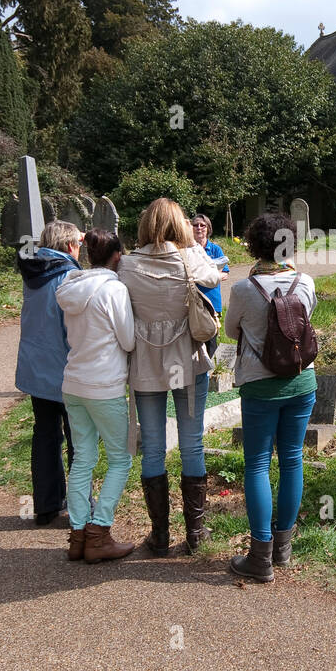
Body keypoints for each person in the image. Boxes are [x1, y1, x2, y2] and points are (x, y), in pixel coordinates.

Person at [118, 198, 222, 555]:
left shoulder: (128, 264)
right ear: (180, 225)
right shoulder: (189, 257)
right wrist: (190, 245)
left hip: (146, 363)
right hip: (187, 361)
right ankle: (195, 533)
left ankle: (159, 535)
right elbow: (214, 274)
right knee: (192, 444)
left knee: (153, 448)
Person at [224, 212, 317, 582]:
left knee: (258, 465)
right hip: (300, 382)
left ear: (252, 245)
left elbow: (232, 331)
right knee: (292, 461)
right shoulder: (305, 282)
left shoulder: (244, 289)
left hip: (259, 385)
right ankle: (284, 549)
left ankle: (259, 557)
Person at [55, 229, 136, 562]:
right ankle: (99, 532)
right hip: (105, 385)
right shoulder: (114, 289)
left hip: (73, 383)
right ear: (117, 256)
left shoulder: (69, 288)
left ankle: (77, 535)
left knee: (82, 460)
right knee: (120, 459)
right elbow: (128, 340)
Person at [15, 220, 82, 526]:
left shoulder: (32, 274)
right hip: (66, 369)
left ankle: (45, 504)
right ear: (70, 246)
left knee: (44, 434)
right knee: (78, 440)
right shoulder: (70, 276)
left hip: (36, 367)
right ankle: (81, 509)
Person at [190, 212, 229, 358]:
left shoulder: (215, 249)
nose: (199, 228)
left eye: (202, 225)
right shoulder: (187, 250)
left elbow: (225, 273)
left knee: (211, 340)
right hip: (193, 301)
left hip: (212, 301)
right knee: (194, 341)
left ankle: (213, 374)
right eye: (195, 225)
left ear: (208, 228)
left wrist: (208, 277)